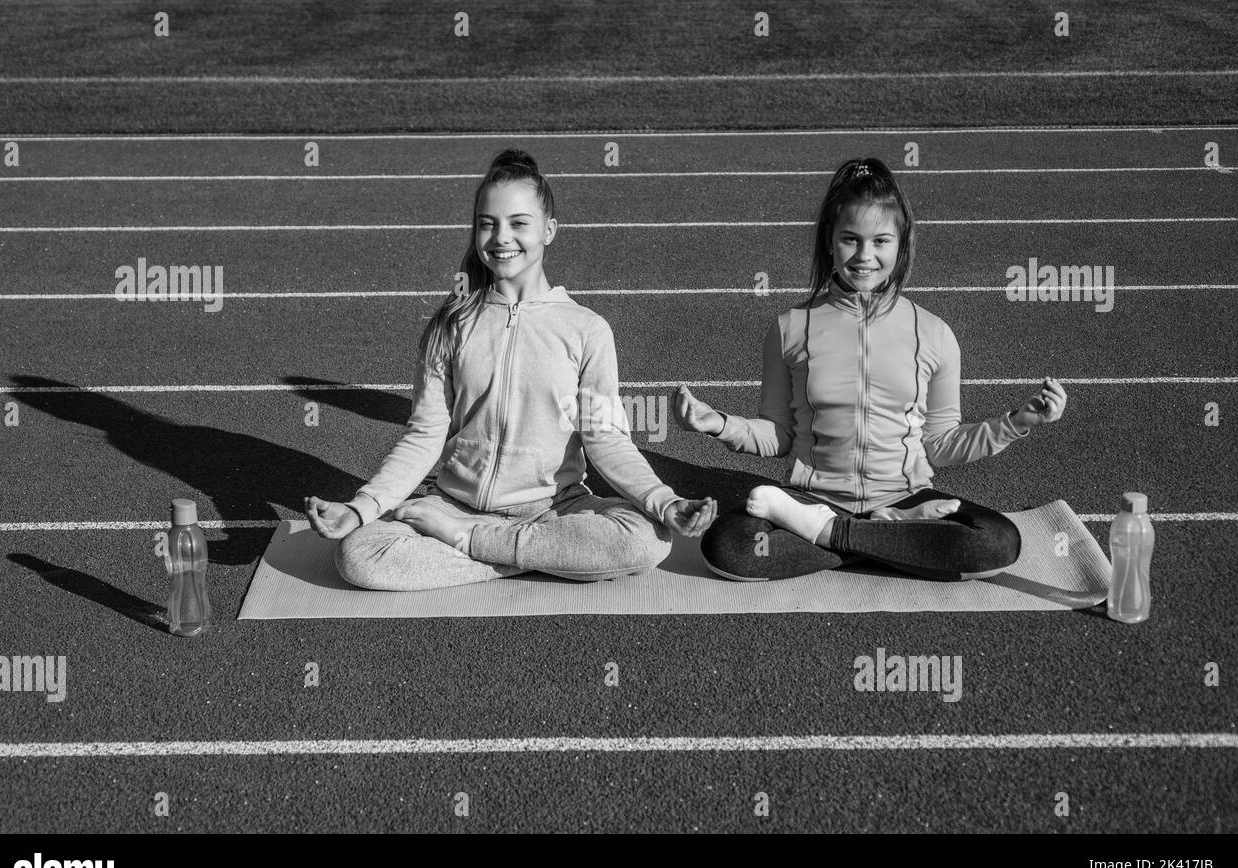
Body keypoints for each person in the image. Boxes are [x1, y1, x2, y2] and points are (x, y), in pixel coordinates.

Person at [307, 149, 717, 591]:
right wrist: (362, 507)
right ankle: (538, 554)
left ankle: (471, 544)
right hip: (455, 504)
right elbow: (423, 434)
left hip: (553, 507)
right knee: (359, 553)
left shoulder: (586, 329)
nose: (502, 237)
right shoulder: (451, 324)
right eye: (488, 223)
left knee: (647, 538)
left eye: (519, 223)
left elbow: (607, 439)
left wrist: (664, 501)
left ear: (548, 231)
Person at [674, 157, 1067, 582]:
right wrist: (719, 424)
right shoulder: (791, 328)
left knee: (997, 540)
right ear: (829, 241)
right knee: (728, 546)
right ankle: (882, 541)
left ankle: (828, 537)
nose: (864, 256)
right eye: (850, 239)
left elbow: (940, 444)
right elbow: (780, 434)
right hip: (812, 498)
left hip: (904, 499)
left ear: (901, 244)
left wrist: (1017, 422)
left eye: (880, 241)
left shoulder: (933, 333)